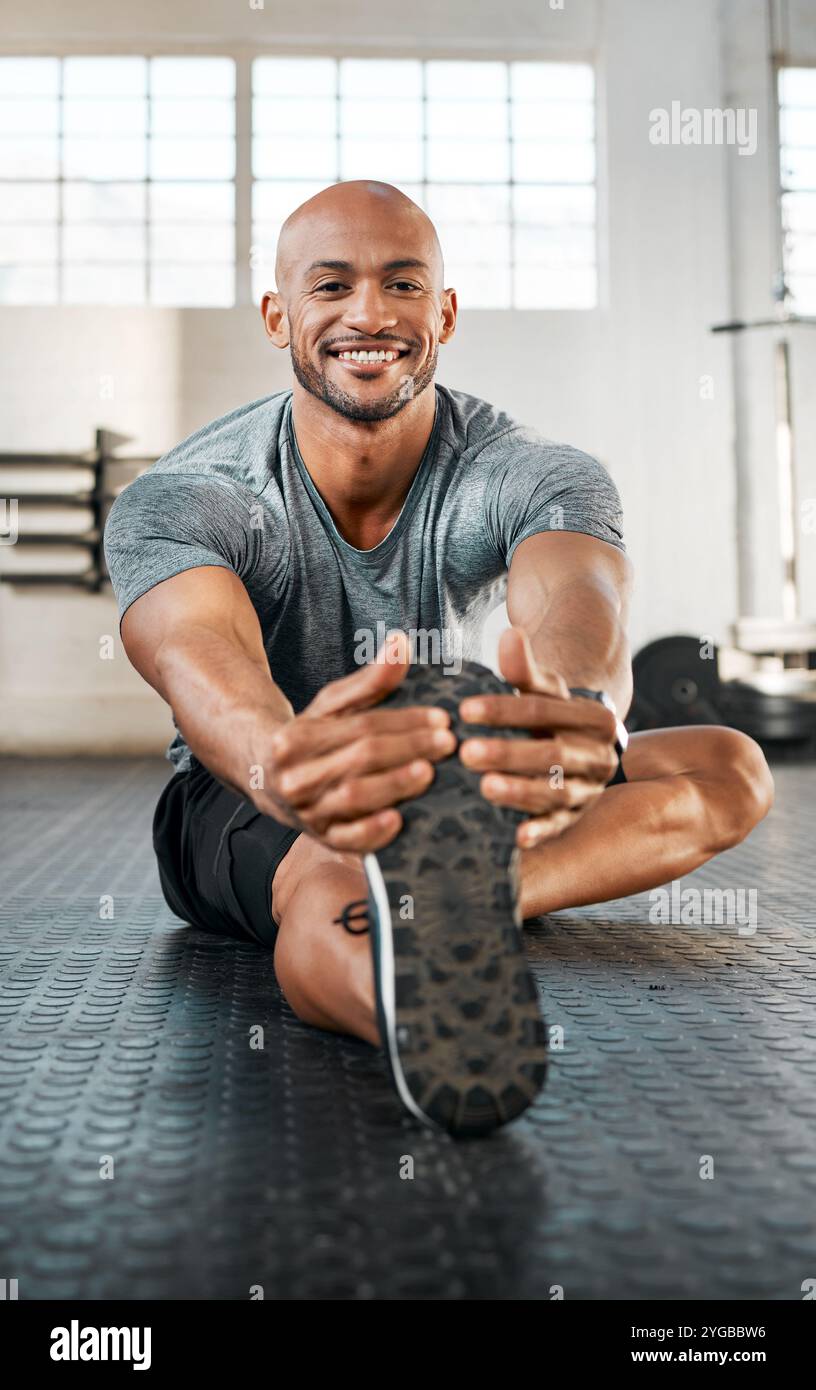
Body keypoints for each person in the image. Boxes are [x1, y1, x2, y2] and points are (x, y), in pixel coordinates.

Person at [104, 179, 774, 1137]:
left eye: (403, 285)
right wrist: (281, 759)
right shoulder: (190, 497)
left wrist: (574, 715)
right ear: (277, 314)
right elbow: (195, 654)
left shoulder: (531, 469)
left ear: (445, 311)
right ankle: (414, 1010)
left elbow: (578, 600)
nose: (368, 314)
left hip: (437, 761)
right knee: (331, 879)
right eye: (331, 287)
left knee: (729, 766)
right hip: (254, 786)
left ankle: (448, 899)